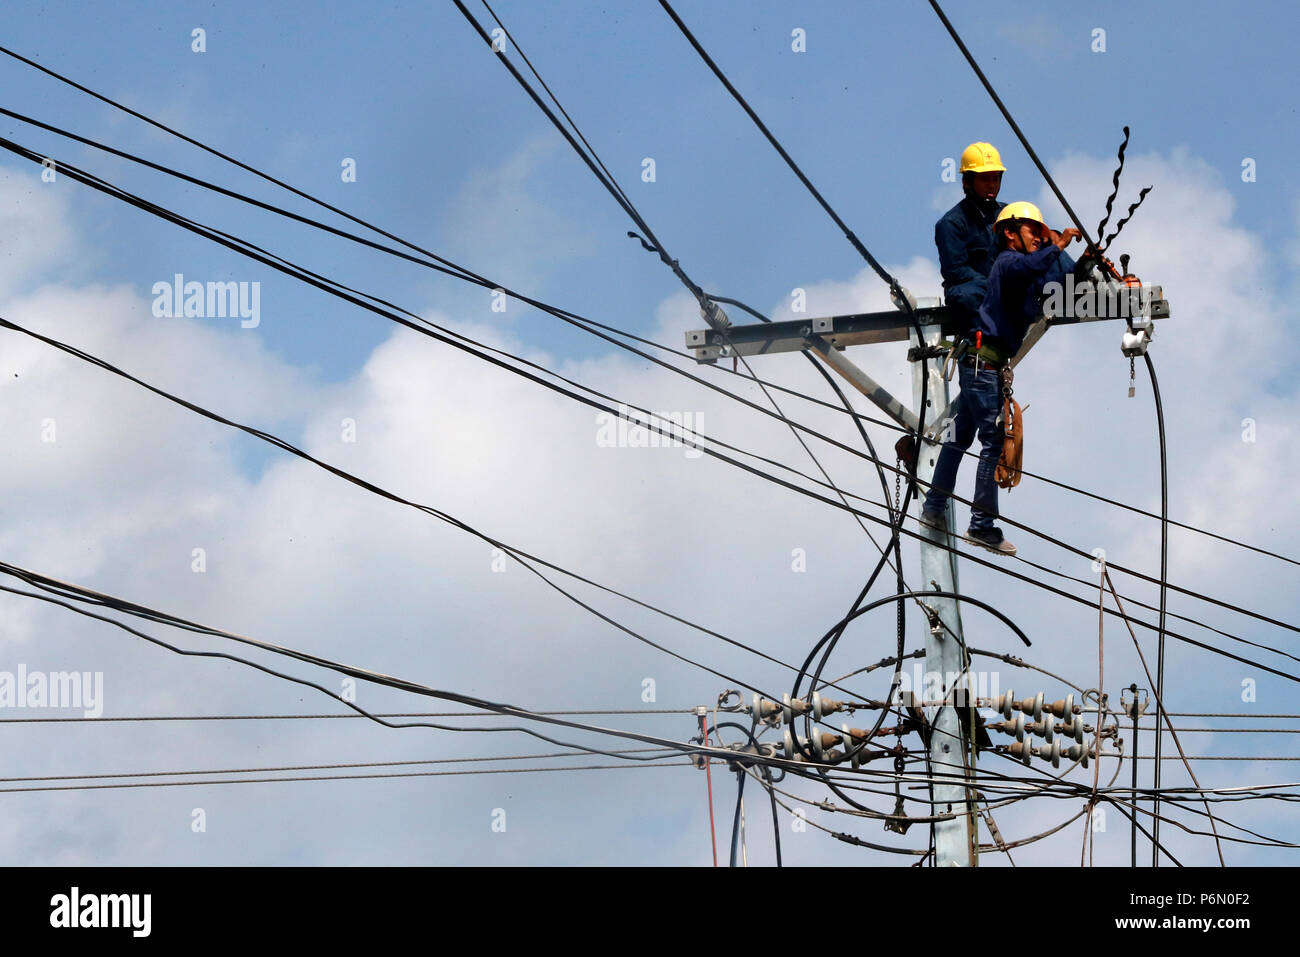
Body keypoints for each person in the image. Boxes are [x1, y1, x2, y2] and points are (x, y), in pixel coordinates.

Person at [921, 201, 1080, 555]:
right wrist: (1059, 243)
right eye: (1032, 232)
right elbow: (1034, 264)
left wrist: (1082, 263)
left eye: (1041, 233)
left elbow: (1057, 281)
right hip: (983, 365)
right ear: (1010, 234)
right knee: (993, 442)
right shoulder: (1007, 264)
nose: (1039, 239)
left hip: (984, 365)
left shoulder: (1025, 272)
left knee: (960, 438)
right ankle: (981, 525)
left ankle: (934, 507)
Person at [935, 142, 1007, 334]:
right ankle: (978, 355)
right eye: (985, 179)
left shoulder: (1007, 214)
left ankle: (1078, 278)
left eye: (996, 178)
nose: (992, 185)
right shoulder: (952, 223)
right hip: (973, 291)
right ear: (967, 182)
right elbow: (955, 271)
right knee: (968, 295)